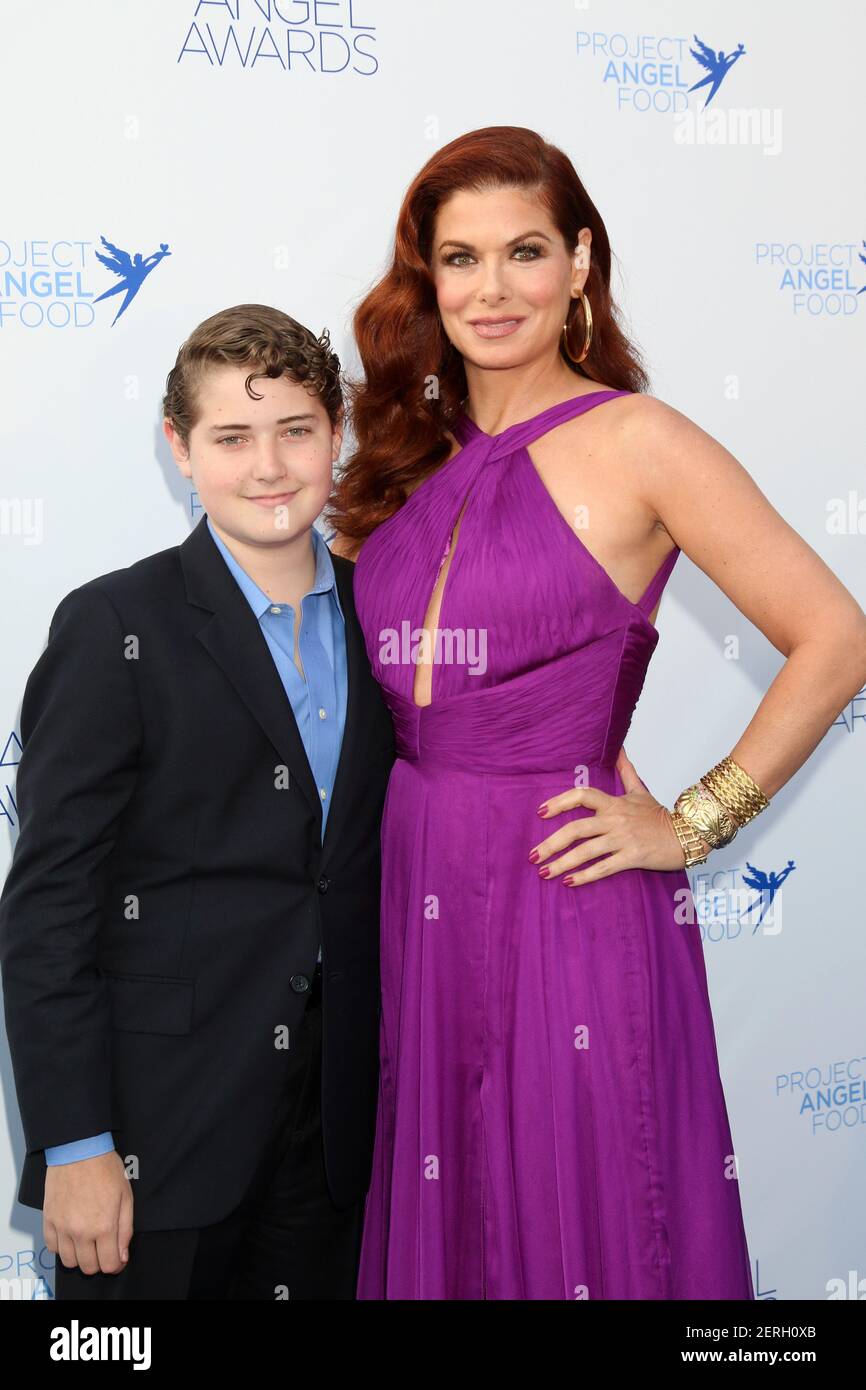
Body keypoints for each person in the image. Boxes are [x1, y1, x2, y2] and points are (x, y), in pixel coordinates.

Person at [327, 126, 866, 1300]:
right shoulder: (407, 450)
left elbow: (833, 635)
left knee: (580, 1204)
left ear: (579, 262)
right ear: (427, 276)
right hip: (419, 881)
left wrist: (693, 820)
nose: (490, 288)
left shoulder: (640, 440)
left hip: (563, 884)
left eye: (523, 252)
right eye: (457, 258)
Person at [0, 304, 395, 1299]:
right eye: (230, 437)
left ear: (336, 437)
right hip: (151, 1144)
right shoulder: (114, 626)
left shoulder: (386, 612)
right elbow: (49, 907)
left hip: (340, 1141)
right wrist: (76, 1147)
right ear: (179, 449)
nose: (267, 465)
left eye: (295, 430)